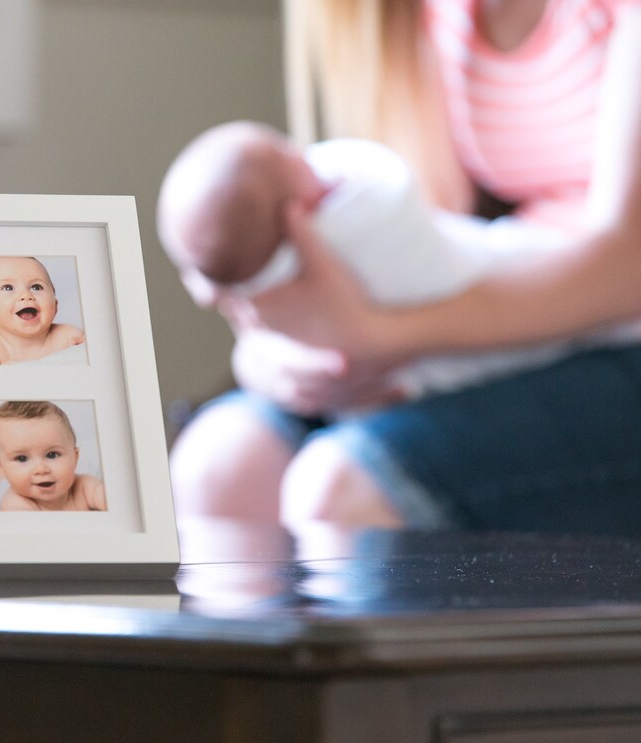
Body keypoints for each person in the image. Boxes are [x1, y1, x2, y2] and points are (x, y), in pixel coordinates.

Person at [168, 0, 641, 561]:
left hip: (617, 325)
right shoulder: (432, 17)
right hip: (518, 315)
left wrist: (378, 337)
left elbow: (626, 270)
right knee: (219, 468)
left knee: (339, 490)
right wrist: (278, 358)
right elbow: (426, 245)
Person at [158, 119, 569, 401]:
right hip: (402, 364)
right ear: (294, 211)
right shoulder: (358, 214)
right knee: (213, 458)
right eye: (291, 158)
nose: (312, 157)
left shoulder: (253, 270)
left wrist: (369, 333)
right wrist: (263, 360)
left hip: (538, 301)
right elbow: (388, 183)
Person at [0, 400, 107, 512]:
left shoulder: (83, 486)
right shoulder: (15, 503)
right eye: (22, 458)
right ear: (1, 465)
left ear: (75, 457)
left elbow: (113, 501)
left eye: (52, 455)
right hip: (5, 487)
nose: (41, 469)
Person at [0, 256, 86, 365]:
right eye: (8, 287)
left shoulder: (68, 336)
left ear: (54, 304)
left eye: (36, 287)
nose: (26, 295)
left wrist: (81, 347)